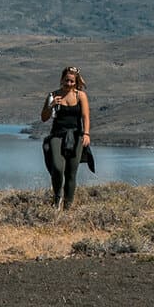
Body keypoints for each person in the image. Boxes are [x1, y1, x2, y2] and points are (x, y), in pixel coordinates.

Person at [38, 66, 92, 209]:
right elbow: (44, 118)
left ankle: (68, 207)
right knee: (57, 167)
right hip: (57, 135)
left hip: (76, 136)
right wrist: (51, 106)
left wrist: (86, 134)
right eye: (66, 81)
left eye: (72, 82)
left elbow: (86, 117)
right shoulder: (53, 95)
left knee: (71, 172)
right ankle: (57, 199)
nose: (68, 84)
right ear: (62, 80)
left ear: (76, 82)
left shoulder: (80, 96)